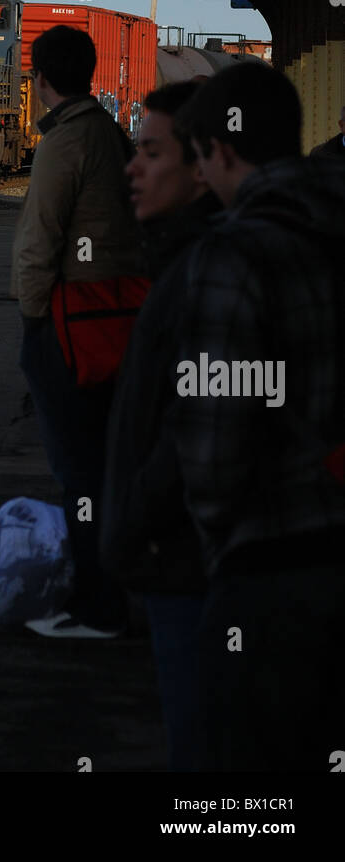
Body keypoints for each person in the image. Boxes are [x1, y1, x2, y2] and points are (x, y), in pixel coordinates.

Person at [168, 62, 345, 771]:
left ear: (223, 150)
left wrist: (215, 538)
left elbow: (214, 456)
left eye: (200, 158)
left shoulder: (233, 254)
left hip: (273, 574)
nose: (201, 179)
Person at [11, 24, 147, 638]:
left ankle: (97, 606)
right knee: (103, 468)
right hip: (113, 321)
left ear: (39, 80)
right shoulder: (111, 134)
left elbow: (39, 244)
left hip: (70, 327)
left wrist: (32, 320)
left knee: (79, 471)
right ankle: (107, 592)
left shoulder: (64, 144)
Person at [100, 81, 219, 770]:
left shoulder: (205, 274)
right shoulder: (183, 259)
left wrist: (129, 524)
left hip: (188, 566)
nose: (132, 168)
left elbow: (196, 432)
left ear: (203, 164)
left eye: (149, 151)